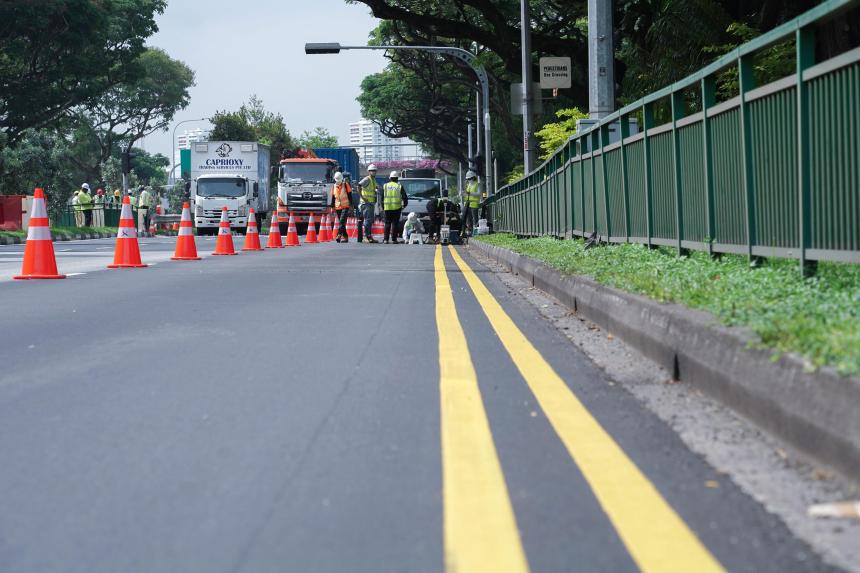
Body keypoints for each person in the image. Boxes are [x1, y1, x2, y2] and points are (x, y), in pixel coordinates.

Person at [382, 171, 408, 244]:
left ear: (390, 178)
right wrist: (404, 205)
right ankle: (394, 239)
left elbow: (382, 198)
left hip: (387, 208)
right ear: (397, 178)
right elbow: (404, 197)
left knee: (387, 223)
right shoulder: (399, 186)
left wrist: (383, 207)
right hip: (397, 208)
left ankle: (386, 239)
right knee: (395, 224)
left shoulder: (385, 186)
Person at [357, 163, 379, 243]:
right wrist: (363, 197)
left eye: (374, 171)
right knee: (367, 220)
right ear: (368, 171)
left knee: (370, 221)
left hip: (371, 203)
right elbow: (358, 186)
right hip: (366, 203)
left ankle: (369, 236)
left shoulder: (373, 180)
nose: (373, 172)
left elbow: (376, 189)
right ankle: (366, 236)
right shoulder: (367, 179)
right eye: (371, 171)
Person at [330, 171, 353, 242]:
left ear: (342, 179)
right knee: (342, 222)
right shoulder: (333, 186)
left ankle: (339, 235)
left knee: (342, 221)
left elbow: (350, 195)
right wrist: (332, 207)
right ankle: (345, 237)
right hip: (338, 207)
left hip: (345, 206)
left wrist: (351, 205)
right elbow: (333, 198)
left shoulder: (346, 185)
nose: (338, 182)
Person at [461, 170, 481, 238]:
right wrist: (463, 194)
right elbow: (467, 194)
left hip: (474, 204)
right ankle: (470, 231)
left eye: (469, 179)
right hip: (468, 203)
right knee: (468, 219)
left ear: (473, 178)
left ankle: (475, 232)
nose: (469, 180)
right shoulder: (468, 185)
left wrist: (470, 193)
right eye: (468, 179)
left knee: (475, 219)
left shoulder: (477, 184)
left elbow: (478, 194)